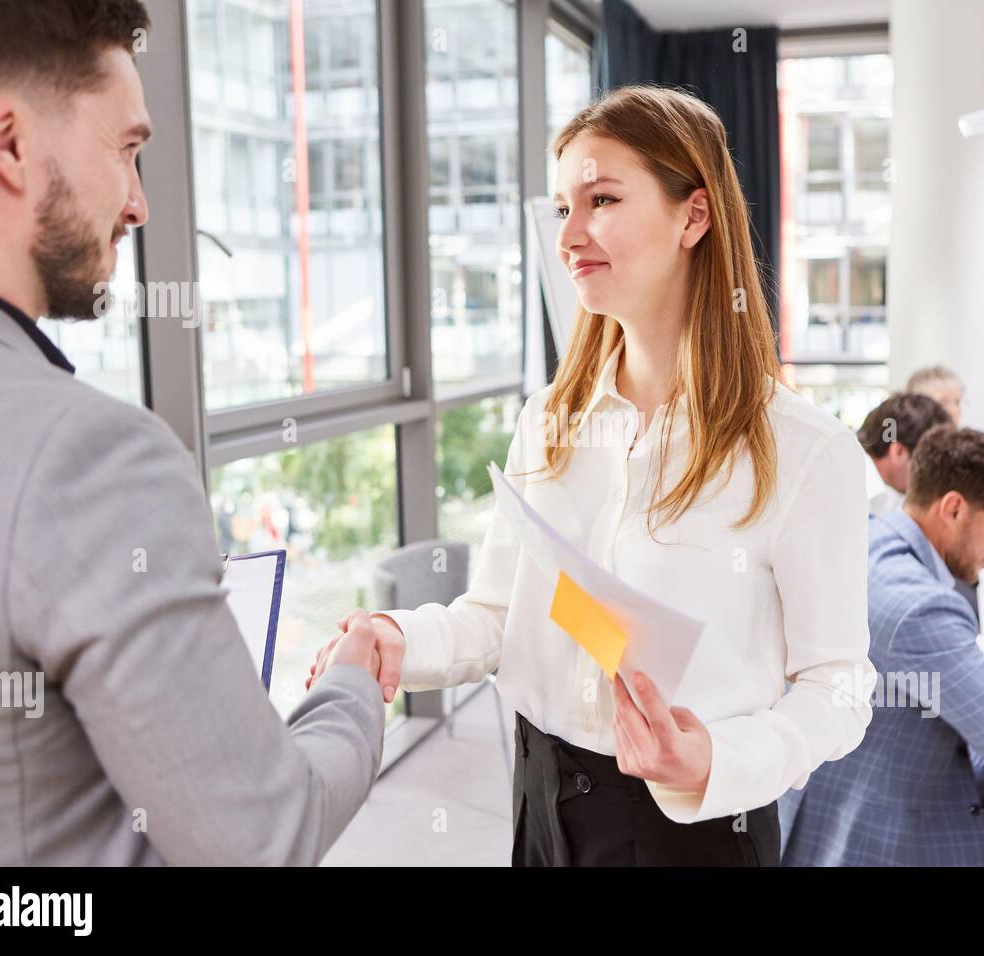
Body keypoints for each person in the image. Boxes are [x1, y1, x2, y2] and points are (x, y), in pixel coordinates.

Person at [313, 85, 876, 866]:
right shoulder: (549, 418)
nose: (570, 235)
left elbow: (840, 685)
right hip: (539, 798)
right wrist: (397, 637)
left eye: (601, 199)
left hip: (693, 830)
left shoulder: (805, 453)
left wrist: (720, 759)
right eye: (561, 210)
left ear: (695, 216)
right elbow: (498, 614)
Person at [0, 0, 389, 865]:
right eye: (128, 149)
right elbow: (263, 839)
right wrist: (353, 688)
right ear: (5, 145)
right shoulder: (86, 457)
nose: (139, 204)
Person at [779, 427, 984, 866]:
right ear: (954, 508)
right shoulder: (918, 610)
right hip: (876, 835)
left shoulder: (872, 534)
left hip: (818, 806)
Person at [857, 393, 952, 516]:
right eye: (930, 464)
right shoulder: (847, 488)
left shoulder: (891, 489)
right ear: (898, 452)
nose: (935, 477)